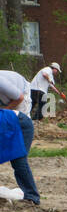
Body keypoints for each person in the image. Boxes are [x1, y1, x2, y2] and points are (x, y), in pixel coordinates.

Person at [0, 70, 38, 204]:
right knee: (18, 160)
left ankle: (32, 197)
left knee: (19, 160)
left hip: (21, 121)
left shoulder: (1, 81)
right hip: (11, 119)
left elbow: (19, 98)